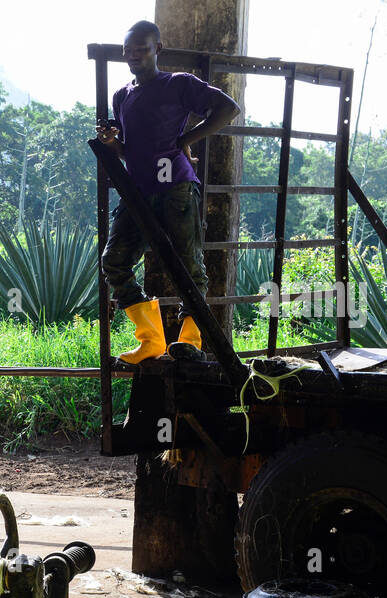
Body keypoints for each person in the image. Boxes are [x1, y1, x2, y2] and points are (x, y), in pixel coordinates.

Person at [97, 19, 241, 363]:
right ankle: (151, 341)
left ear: (157, 49)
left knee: (189, 266)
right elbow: (129, 150)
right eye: (129, 51)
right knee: (114, 261)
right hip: (139, 192)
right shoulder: (122, 96)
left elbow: (228, 109)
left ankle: (191, 340)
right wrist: (113, 143)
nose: (135, 56)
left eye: (142, 49)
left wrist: (186, 140)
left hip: (176, 187)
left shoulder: (178, 84)